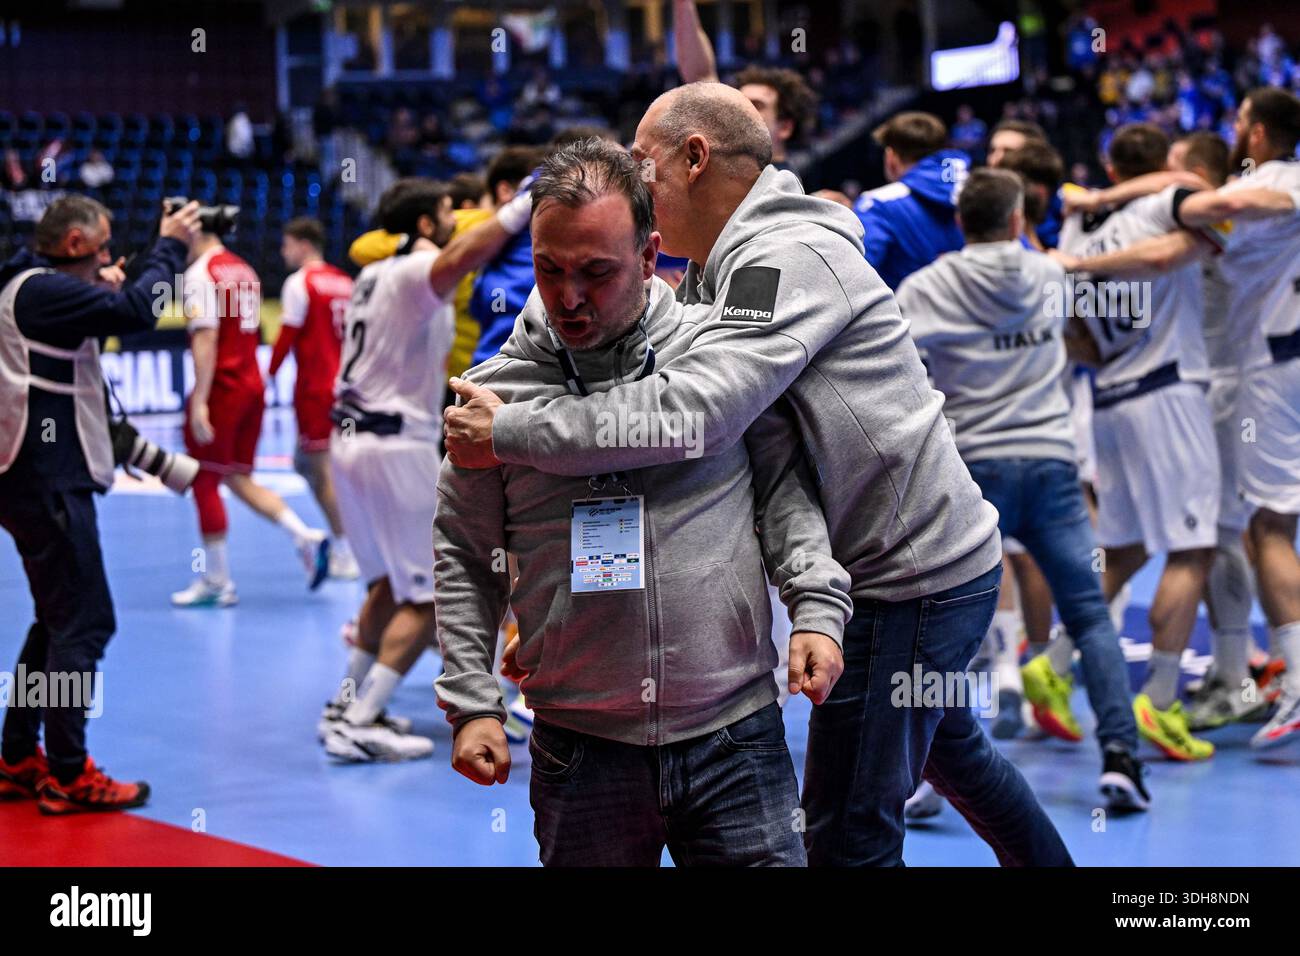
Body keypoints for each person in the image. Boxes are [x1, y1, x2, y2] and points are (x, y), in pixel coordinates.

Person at [444, 82, 1072, 867]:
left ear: (694, 159)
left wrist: (505, 431)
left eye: (644, 165)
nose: (636, 185)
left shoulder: (780, 263)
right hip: (913, 562)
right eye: (551, 271)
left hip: (903, 578)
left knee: (847, 836)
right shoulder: (715, 270)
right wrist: (563, 621)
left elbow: (695, 419)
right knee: (962, 763)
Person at [435, 139, 851, 866]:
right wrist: (471, 700)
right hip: (581, 749)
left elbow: (783, 486)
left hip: (736, 733)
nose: (568, 298)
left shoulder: (717, 360)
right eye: (548, 269)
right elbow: (467, 558)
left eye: (596, 273)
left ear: (651, 253)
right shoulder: (493, 395)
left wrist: (816, 604)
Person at [897, 168, 1147, 809]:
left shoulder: (926, 287)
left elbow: (897, 368)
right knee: (1089, 614)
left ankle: (931, 772)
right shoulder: (1048, 276)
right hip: (1053, 464)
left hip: (975, 468)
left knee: (944, 622)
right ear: (1016, 221)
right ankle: (1121, 758)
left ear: (960, 223)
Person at [1061, 90, 1300, 751]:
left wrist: (1095, 217)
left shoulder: (1120, 221)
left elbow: (1078, 330)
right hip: (1207, 387)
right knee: (1219, 535)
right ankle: (1221, 680)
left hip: (1172, 386)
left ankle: (1061, 661)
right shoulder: (1183, 224)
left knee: (1201, 536)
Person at [0, 196, 200, 812]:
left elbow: (109, 314)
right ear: (78, 243)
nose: (113, 256)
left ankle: (15, 757)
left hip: (37, 478)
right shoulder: (39, 291)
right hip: (49, 481)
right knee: (85, 624)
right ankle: (65, 771)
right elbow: (137, 310)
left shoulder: (29, 286)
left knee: (56, 620)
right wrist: (170, 244)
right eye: (106, 245)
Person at [321, 179, 507, 761]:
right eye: (448, 209)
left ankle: (345, 704)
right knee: (430, 596)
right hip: (395, 443)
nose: (457, 219)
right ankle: (361, 717)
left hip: (350, 439)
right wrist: (523, 204)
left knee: (384, 585)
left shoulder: (373, 273)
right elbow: (461, 257)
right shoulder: (415, 272)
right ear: (426, 224)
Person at [1052, 123, 1221, 761]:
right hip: (1168, 393)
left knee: (1119, 549)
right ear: (1161, 168)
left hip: (1109, 401)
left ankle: (1055, 662)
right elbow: (1186, 202)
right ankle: (1161, 697)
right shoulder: (1159, 209)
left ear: (1107, 163)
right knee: (1193, 546)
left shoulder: (1073, 230)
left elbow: (1078, 337)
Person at [170, 218, 330, 607]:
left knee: (204, 479)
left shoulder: (199, 273)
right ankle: (304, 536)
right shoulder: (243, 268)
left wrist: (199, 400)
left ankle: (217, 581)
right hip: (251, 383)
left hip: (222, 386)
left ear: (194, 232)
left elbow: (206, 337)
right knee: (237, 477)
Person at [270, 217, 358, 579]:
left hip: (316, 389)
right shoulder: (344, 281)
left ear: (304, 244)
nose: (282, 251)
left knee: (322, 473)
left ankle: (347, 549)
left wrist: (267, 376)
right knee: (309, 464)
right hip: (347, 387)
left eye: (287, 244)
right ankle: (352, 540)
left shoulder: (299, 283)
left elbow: (286, 336)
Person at [672, 0, 818, 174]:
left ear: (785, 128)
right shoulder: (731, 175)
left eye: (757, 106)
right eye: (739, 103)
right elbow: (700, 76)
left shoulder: (786, 190)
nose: (741, 111)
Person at [854, 111, 970, 290]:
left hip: (907, 313)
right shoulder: (977, 190)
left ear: (891, 156)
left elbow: (856, 277)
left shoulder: (877, 204)